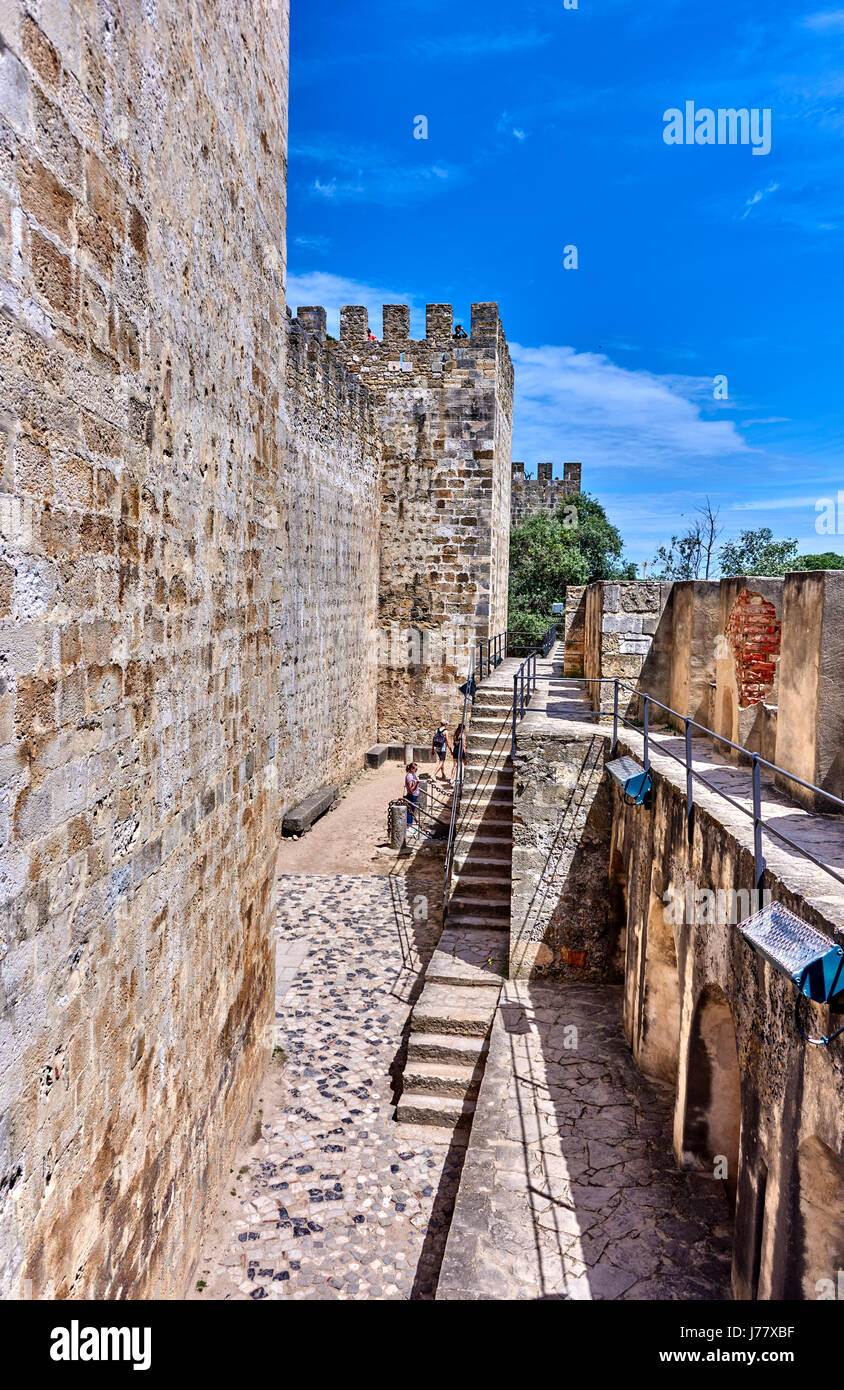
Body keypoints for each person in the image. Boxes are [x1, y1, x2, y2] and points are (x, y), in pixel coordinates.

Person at [404, 761, 420, 829]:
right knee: (410, 811)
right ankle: (409, 826)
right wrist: (416, 783)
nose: (416, 771)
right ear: (412, 769)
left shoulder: (411, 775)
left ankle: (409, 825)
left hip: (413, 795)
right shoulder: (410, 777)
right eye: (415, 769)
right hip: (412, 795)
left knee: (411, 811)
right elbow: (411, 790)